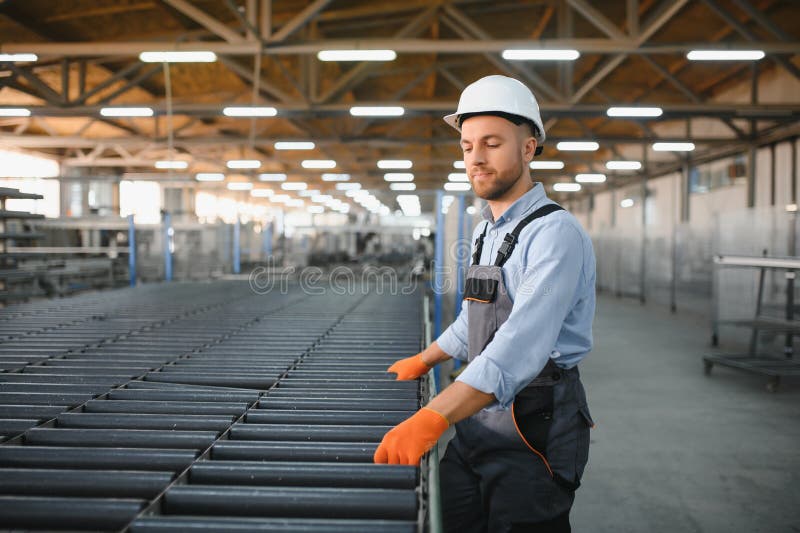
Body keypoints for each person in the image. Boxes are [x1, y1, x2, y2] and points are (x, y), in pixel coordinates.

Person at [374, 75, 597, 533]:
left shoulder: (555, 235)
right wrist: (425, 358)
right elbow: (474, 319)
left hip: (535, 424)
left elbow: (518, 346)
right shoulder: (485, 231)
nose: (476, 157)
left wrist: (434, 414)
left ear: (529, 148)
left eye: (492, 143)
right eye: (467, 145)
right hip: (477, 421)